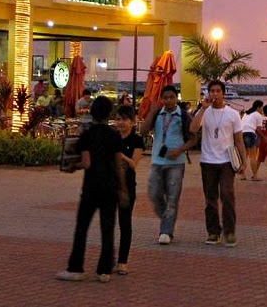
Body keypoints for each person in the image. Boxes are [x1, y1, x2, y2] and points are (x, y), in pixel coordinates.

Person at [56, 96, 127, 283]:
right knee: (108, 228)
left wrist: (72, 166)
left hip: (91, 187)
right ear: (109, 114)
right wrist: (123, 189)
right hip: (110, 187)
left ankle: (76, 268)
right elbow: (119, 164)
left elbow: (86, 163)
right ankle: (104, 270)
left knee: (82, 227)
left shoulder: (87, 135)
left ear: (92, 113)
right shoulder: (114, 135)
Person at [189, 80, 247, 247]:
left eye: (217, 91)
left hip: (226, 161)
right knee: (210, 198)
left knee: (227, 194)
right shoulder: (204, 112)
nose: (214, 94)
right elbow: (192, 129)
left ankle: (229, 232)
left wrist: (243, 162)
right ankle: (213, 231)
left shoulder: (232, 114)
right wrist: (203, 108)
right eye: (211, 91)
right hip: (207, 161)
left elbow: (239, 139)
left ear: (223, 93)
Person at [141, 85, 196, 246]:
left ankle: (166, 231)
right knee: (154, 193)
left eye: (171, 97)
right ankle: (167, 217)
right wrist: (151, 111)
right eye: (165, 97)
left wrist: (180, 150)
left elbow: (193, 139)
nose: (168, 100)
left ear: (176, 98)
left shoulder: (183, 115)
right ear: (162, 99)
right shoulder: (158, 113)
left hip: (176, 163)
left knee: (172, 198)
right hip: (157, 161)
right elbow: (143, 130)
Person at [114, 105, 144, 274]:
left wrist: (121, 156)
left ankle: (123, 261)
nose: (121, 123)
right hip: (110, 185)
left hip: (127, 188)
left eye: (124, 119)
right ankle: (108, 258)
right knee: (108, 223)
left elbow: (133, 164)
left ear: (132, 122)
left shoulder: (137, 141)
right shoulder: (112, 137)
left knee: (125, 223)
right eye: (118, 119)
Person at [240, 100, 264, 179]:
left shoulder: (246, 114)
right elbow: (258, 129)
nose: (262, 110)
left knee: (244, 155)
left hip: (242, 133)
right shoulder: (258, 115)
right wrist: (264, 137)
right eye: (261, 108)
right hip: (250, 134)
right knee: (253, 156)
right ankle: (255, 175)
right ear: (258, 107)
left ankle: (243, 175)